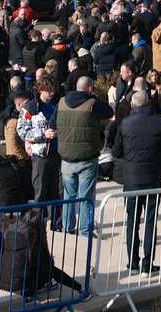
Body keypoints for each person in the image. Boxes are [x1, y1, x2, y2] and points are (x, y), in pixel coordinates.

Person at [114, 89, 161, 272]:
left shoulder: (125, 124)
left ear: (132, 104)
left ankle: (133, 261)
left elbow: (116, 151)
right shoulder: (159, 122)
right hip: (153, 177)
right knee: (151, 222)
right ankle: (147, 263)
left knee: (132, 221)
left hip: (132, 179)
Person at [55, 76, 114, 237]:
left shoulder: (61, 102)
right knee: (86, 197)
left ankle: (68, 228)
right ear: (90, 88)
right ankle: (85, 231)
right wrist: (93, 97)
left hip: (66, 157)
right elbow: (110, 111)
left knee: (68, 196)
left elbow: (53, 124)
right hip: (87, 158)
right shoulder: (92, 104)